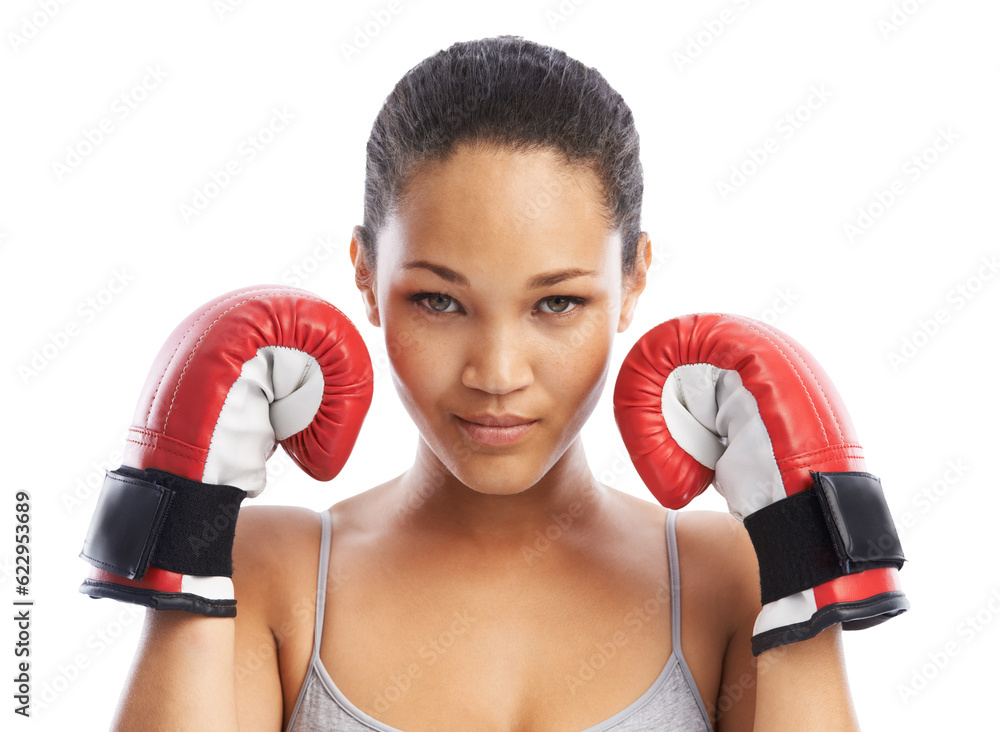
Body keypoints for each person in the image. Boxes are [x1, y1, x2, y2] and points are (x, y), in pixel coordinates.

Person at [105, 35, 863, 730]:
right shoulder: (269, 575)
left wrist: (801, 556)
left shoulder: (731, 576)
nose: (497, 374)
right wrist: (185, 531)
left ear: (633, 282)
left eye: (557, 302)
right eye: (439, 300)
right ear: (366, 278)